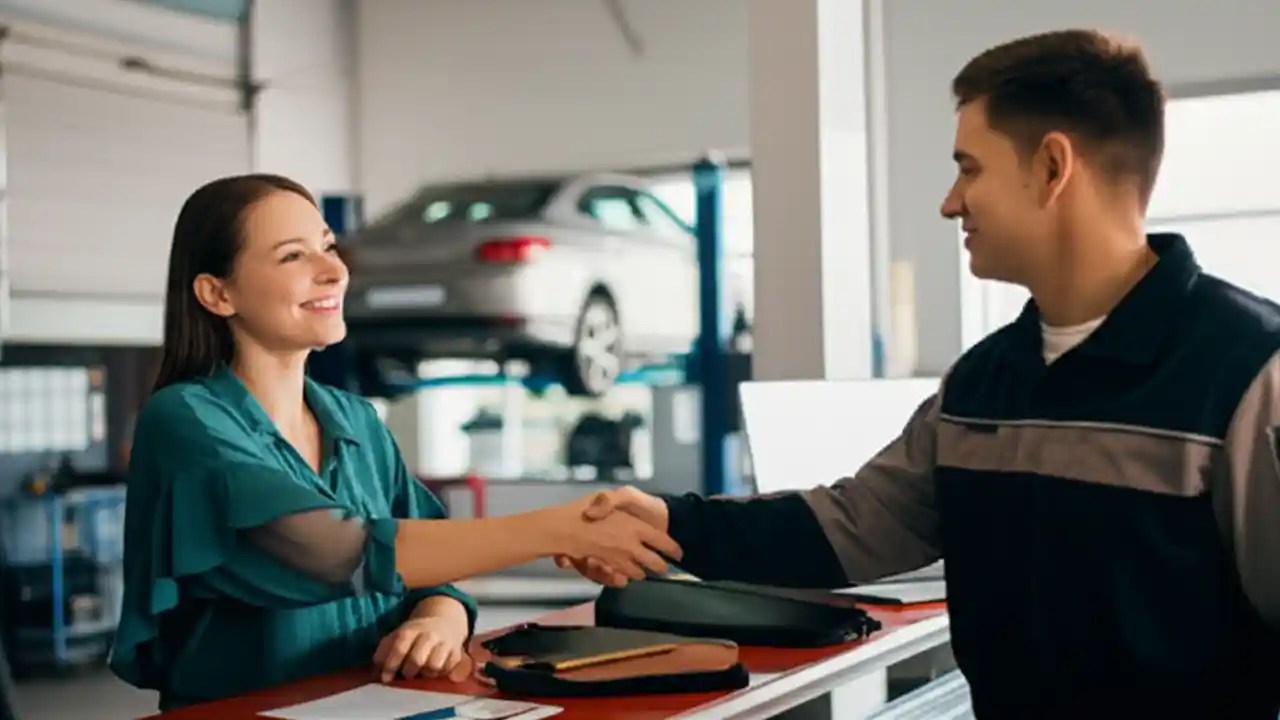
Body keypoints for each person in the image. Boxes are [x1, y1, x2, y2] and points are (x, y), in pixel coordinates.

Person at [561, 29, 1280, 719]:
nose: (950, 201)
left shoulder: (1249, 372)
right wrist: (670, 521)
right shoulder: (984, 381)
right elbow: (853, 528)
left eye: (970, 167)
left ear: (1054, 167)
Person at [109, 174, 683, 711]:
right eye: (293, 256)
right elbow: (335, 554)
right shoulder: (185, 421)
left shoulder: (355, 421)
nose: (333, 271)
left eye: (328, 247)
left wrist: (439, 621)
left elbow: (434, 564)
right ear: (217, 294)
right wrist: (563, 527)